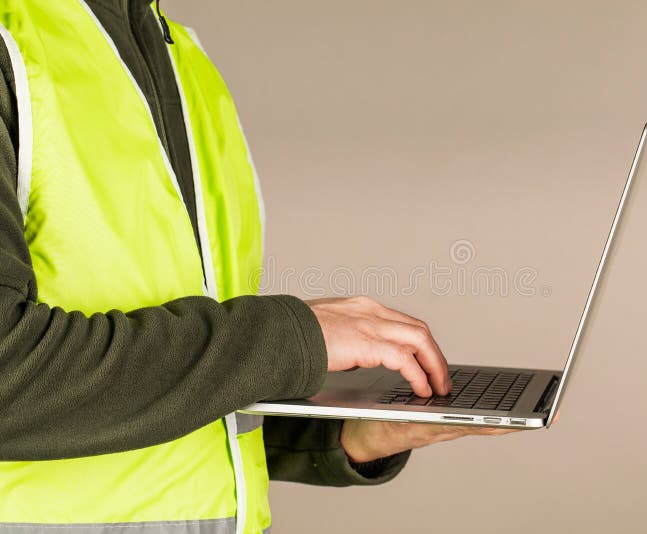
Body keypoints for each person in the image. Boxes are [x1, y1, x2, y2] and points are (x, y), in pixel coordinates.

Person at [0, 1, 523, 533]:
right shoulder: (12, 37)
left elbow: (182, 396)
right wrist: (291, 336)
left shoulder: (179, 55)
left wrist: (335, 435)